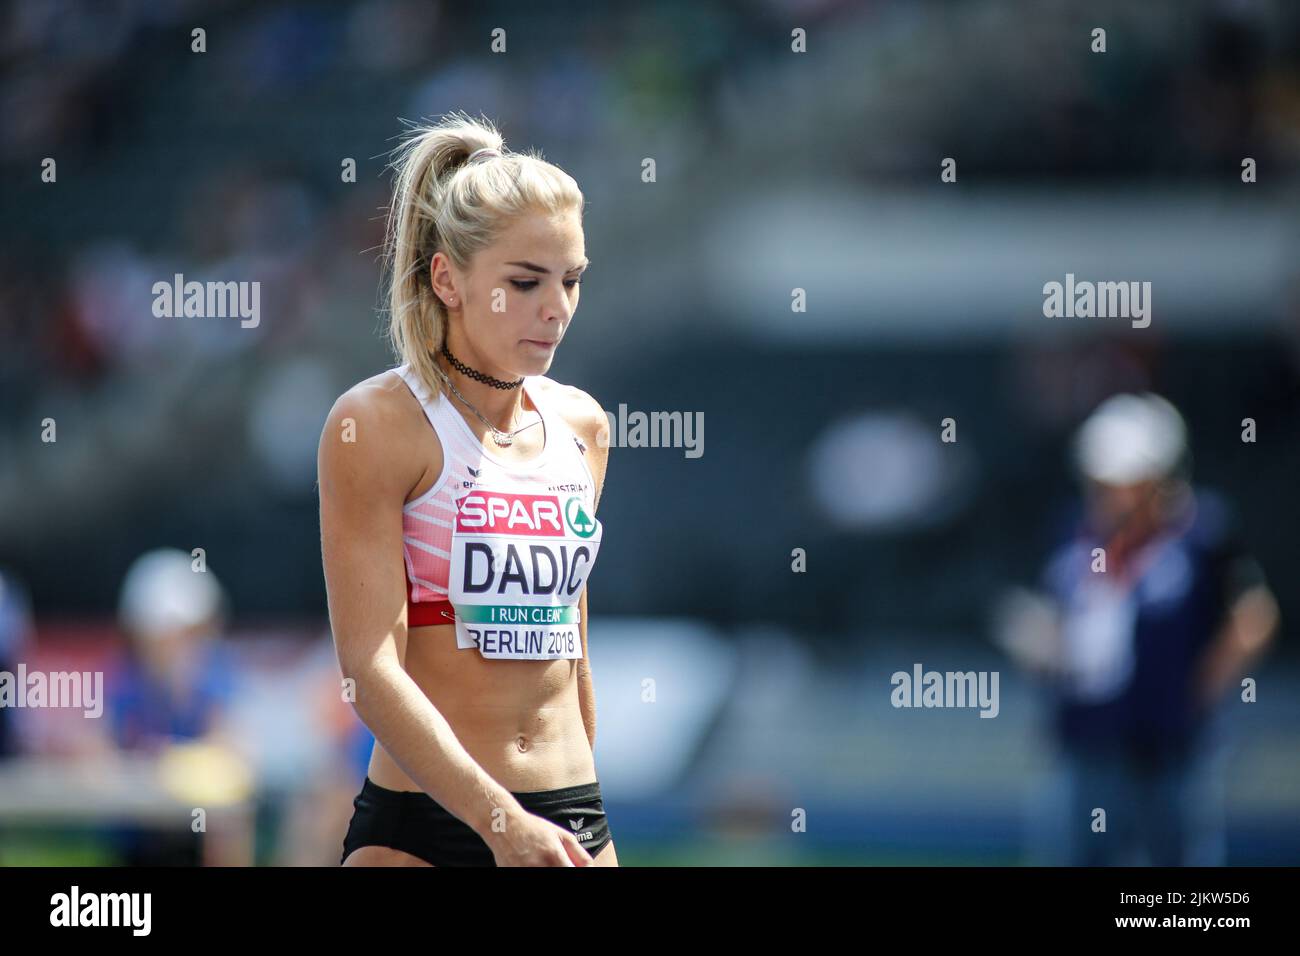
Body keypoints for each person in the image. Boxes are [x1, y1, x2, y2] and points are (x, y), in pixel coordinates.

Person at [319, 111, 616, 867]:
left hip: (570, 817)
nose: (556, 307)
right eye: (524, 281)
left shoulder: (582, 424)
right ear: (448, 278)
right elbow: (369, 670)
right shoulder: (376, 423)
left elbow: (571, 638)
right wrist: (499, 821)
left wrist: (578, 804)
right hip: (430, 822)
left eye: (571, 279)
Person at [1000, 393, 1280, 865]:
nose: (1108, 495)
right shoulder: (1074, 533)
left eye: (1122, 483)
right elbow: (1051, 617)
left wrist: (1198, 687)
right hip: (1087, 739)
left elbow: (1252, 614)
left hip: (1167, 749)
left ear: (1158, 480)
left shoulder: (1201, 534)